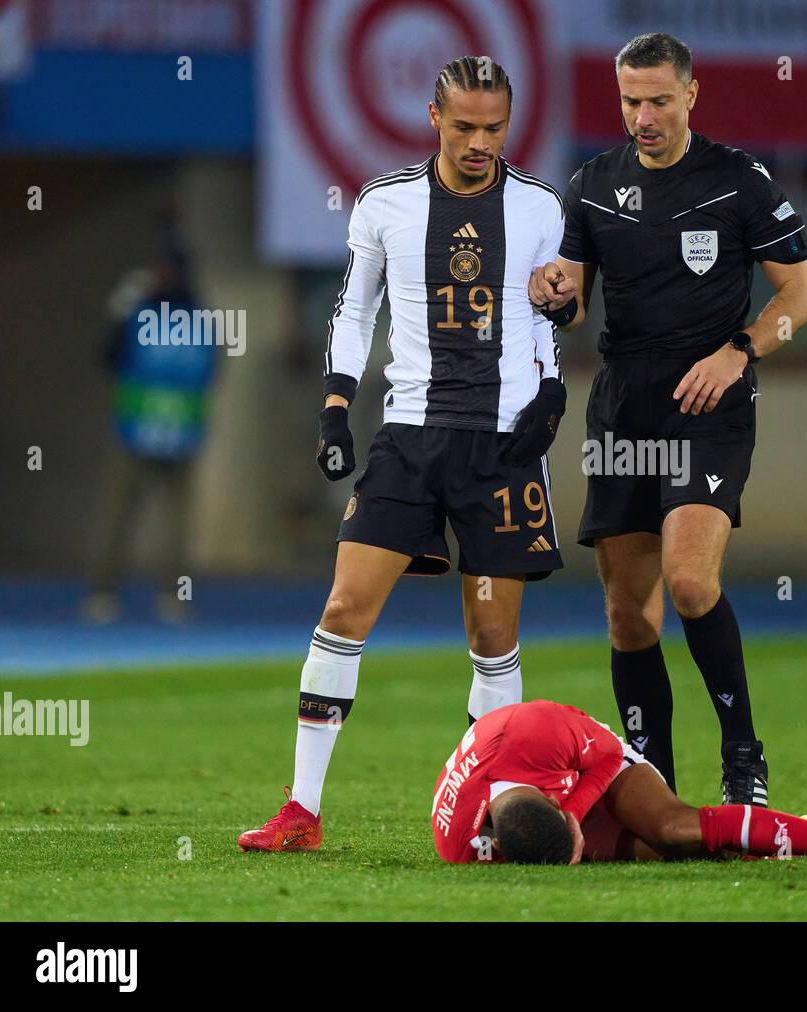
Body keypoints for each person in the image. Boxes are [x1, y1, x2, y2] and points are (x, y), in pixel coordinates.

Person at [239, 57, 567, 852]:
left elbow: (552, 311)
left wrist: (552, 391)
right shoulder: (385, 202)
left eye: (495, 126)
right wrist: (334, 410)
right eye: (465, 126)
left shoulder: (539, 208)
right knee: (344, 609)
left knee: (493, 636)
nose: (481, 140)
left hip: (501, 446)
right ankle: (302, 812)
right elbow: (355, 312)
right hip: (410, 438)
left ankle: (489, 814)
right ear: (433, 116)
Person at [527, 32, 807, 805]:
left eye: (659, 99)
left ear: (692, 95)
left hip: (709, 403)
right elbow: (574, 300)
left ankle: (744, 757)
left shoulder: (736, 180)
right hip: (624, 405)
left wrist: (738, 353)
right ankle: (649, 775)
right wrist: (553, 292)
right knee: (629, 615)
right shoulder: (591, 184)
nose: (645, 115)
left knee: (690, 582)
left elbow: (800, 301)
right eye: (631, 101)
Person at [431, 699, 807, 864]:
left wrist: (574, 815)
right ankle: (781, 834)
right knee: (672, 853)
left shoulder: (537, 729)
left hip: (592, 764)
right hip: (552, 796)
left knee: (673, 827)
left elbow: (601, 758)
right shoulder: (458, 842)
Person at [85, 236, 218, 624]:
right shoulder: (200, 319)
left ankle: (103, 593)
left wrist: (119, 312)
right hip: (180, 431)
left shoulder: (139, 312)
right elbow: (212, 372)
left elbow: (106, 357)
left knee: (120, 513)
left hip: (137, 429)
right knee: (171, 521)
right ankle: (171, 597)